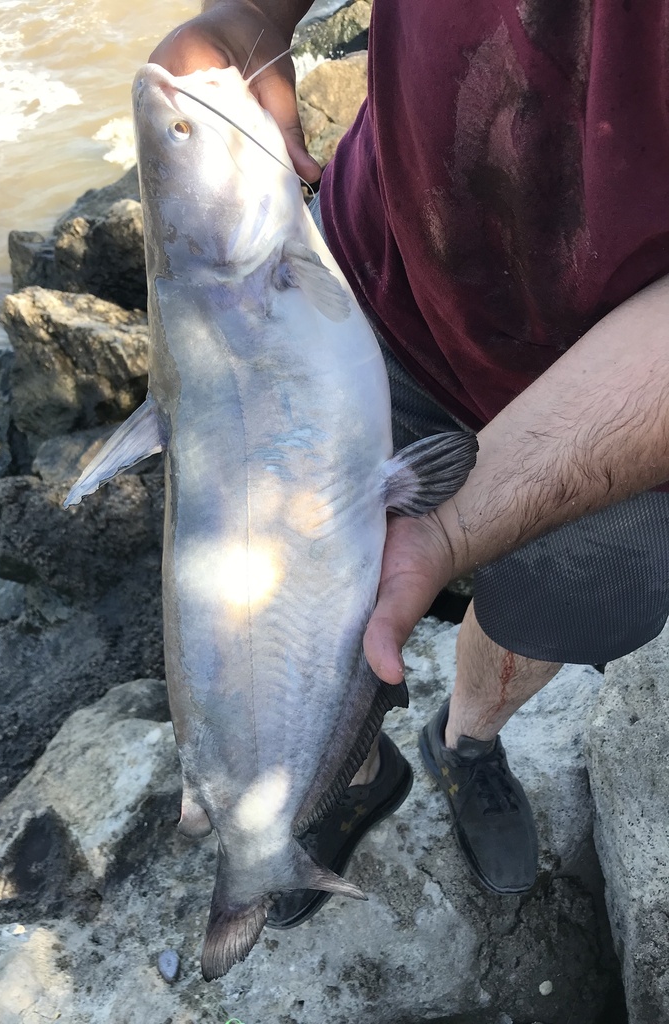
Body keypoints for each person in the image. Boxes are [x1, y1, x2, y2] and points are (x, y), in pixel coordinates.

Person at [150, 0, 669, 923]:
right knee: (304, 609)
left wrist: (452, 530)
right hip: (372, 272)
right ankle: (348, 769)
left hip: (621, 408)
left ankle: (464, 742)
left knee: (551, 612)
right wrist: (252, 15)